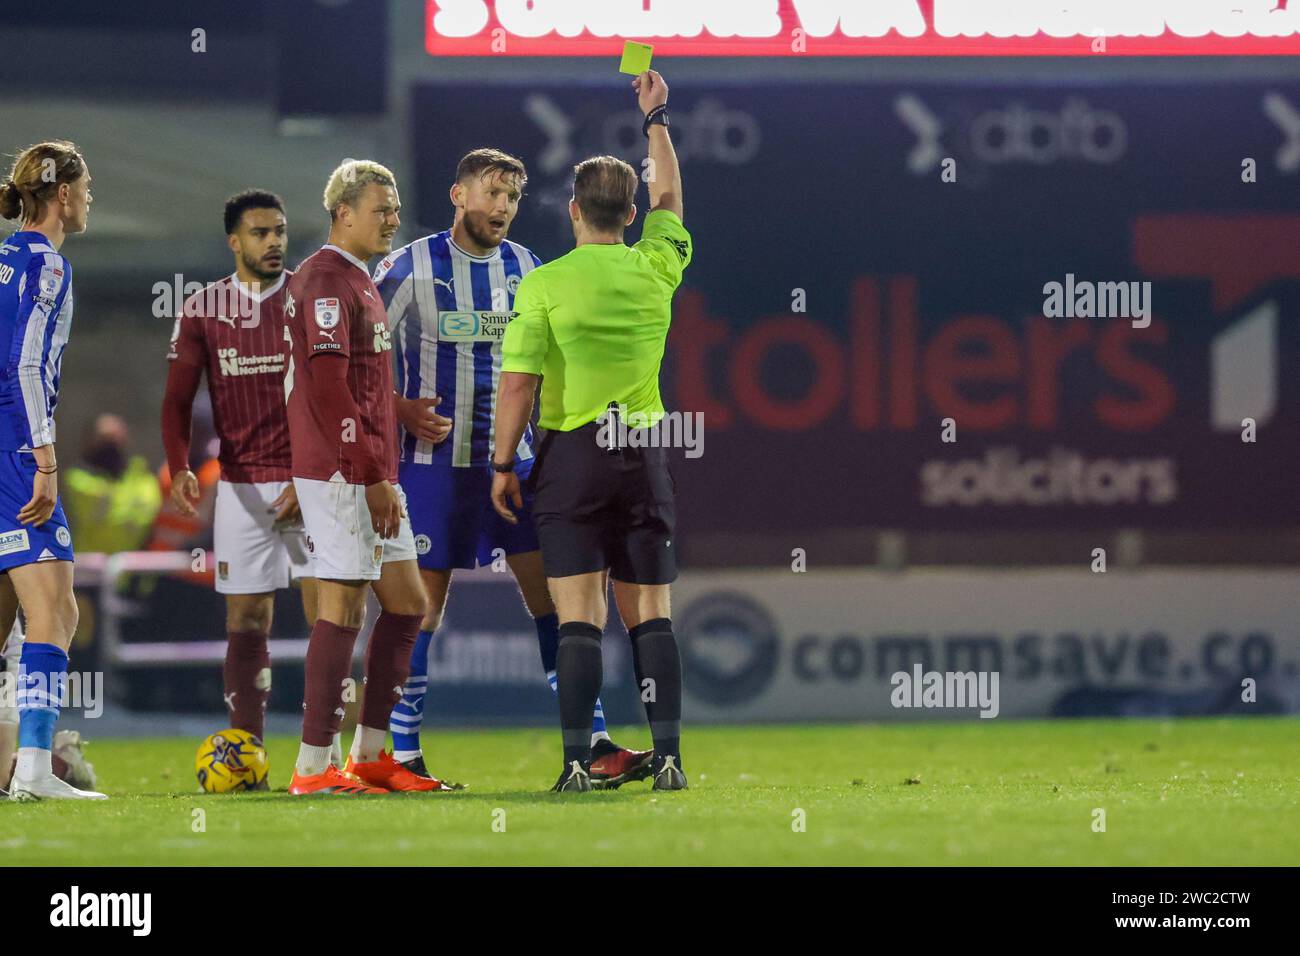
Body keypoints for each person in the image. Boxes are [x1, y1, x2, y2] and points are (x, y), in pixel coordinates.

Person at [373, 148, 652, 789]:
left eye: (512, 197)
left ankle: (595, 742)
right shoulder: (408, 267)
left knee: (559, 602)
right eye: (491, 193)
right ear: (457, 194)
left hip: (517, 467)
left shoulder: (528, 269)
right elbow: (351, 357)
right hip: (433, 466)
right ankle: (402, 756)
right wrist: (396, 407)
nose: (501, 207)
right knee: (420, 612)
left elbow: (544, 365)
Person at [492, 71, 692, 792]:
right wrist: (656, 118)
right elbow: (671, 196)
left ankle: (578, 762)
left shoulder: (543, 284)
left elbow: (517, 383)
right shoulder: (655, 268)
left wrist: (501, 463)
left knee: (578, 616)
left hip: (570, 457)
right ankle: (668, 757)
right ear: (631, 212)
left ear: (573, 210)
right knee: (651, 615)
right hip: (640, 454)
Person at [283, 159, 439, 795]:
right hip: (345, 471)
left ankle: (370, 755)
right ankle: (312, 768)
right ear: (343, 212)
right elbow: (325, 385)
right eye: (382, 209)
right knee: (343, 606)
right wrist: (370, 473)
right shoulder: (325, 279)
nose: (393, 219)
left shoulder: (359, 280)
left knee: (408, 604)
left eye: (396, 208)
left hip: (371, 465)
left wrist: (395, 414)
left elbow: (360, 380)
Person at [161, 190, 320, 773]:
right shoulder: (204, 308)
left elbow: (339, 394)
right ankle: (244, 750)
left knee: (330, 613)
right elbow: (177, 401)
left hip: (313, 484)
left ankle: (322, 755)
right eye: (260, 232)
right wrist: (179, 463)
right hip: (240, 490)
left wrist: (315, 473)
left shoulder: (310, 298)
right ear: (234, 240)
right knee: (246, 619)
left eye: (279, 230)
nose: (274, 241)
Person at [0, 140, 105, 800]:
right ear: (62, 194)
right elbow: (28, 365)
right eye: (86, 186)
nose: (90, 198)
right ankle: (36, 772)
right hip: (15, 453)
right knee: (57, 611)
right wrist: (45, 459)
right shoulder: (47, 266)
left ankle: (20, 772)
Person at [62, 413, 161, 554]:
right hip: (90, 567)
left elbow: (147, 517)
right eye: (104, 439)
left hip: (132, 567)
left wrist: (112, 500)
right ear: (90, 441)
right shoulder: (78, 478)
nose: (110, 445)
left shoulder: (143, 476)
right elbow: (115, 518)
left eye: (115, 438)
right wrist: (131, 504)